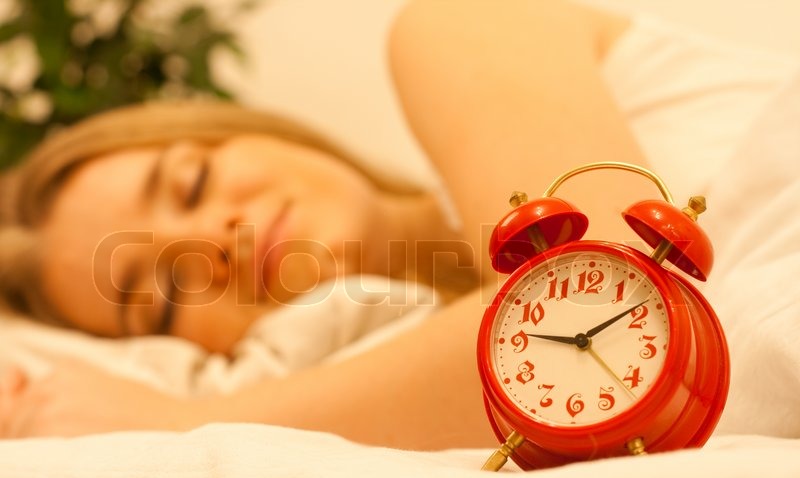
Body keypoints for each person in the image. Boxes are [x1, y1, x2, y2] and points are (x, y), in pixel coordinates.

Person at [0, 0, 761, 447]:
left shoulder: (452, 26)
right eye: (166, 295)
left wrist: (185, 422)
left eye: (192, 181)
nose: (211, 241)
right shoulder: (385, 417)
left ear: (250, 129)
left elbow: (606, 311)